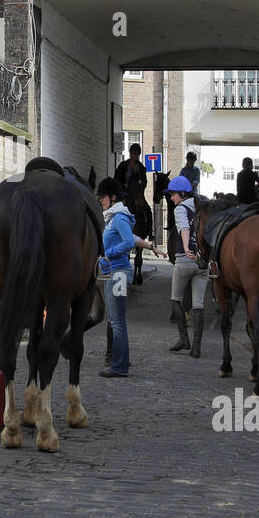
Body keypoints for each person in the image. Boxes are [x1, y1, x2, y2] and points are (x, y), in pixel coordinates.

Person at [96, 177, 157, 378]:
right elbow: (133, 239)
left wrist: (108, 253)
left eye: (103, 197)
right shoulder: (115, 216)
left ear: (113, 197)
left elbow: (128, 241)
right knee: (117, 320)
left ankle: (119, 366)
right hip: (114, 273)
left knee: (117, 321)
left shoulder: (119, 217)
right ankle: (120, 361)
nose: (101, 200)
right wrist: (149, 246)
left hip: (118, 274)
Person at [166, 175, 208, 357]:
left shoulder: (180, 209)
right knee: (198, 304)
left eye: (173, 194)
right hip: (202, 262)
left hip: (185, 259)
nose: (171, 198)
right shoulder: (202, 207)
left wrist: (186, 248)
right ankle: (196, 347)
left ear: (182, 193)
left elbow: (184, 228)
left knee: (176, 299)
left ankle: (184, 339)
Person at [114, 144, 152, 284]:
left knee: (147, 210)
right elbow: (116, 179)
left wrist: (140, 192)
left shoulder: (141, 167)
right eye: (133, 153)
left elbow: (144, 182)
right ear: (130, 153)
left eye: (137, 153)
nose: (135, 155)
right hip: (124, 196)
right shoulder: (123, 166)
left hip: (136, 195)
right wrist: (122, 191)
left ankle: (149, 230)